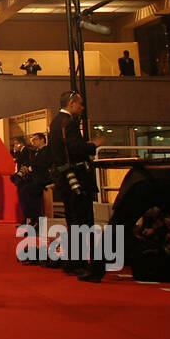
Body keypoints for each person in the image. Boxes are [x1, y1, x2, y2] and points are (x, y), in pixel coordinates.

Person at [47, 90, 103, 282]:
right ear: (71, 104)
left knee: (73, 222)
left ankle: (73, 261)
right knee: (82, 222)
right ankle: (78, 263)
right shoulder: (68, 123)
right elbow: (75, 148)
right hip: (76, 179)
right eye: (80, 104)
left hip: (65, 179)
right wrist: (92, 145)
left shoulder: (55, 123)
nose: (82, 108)